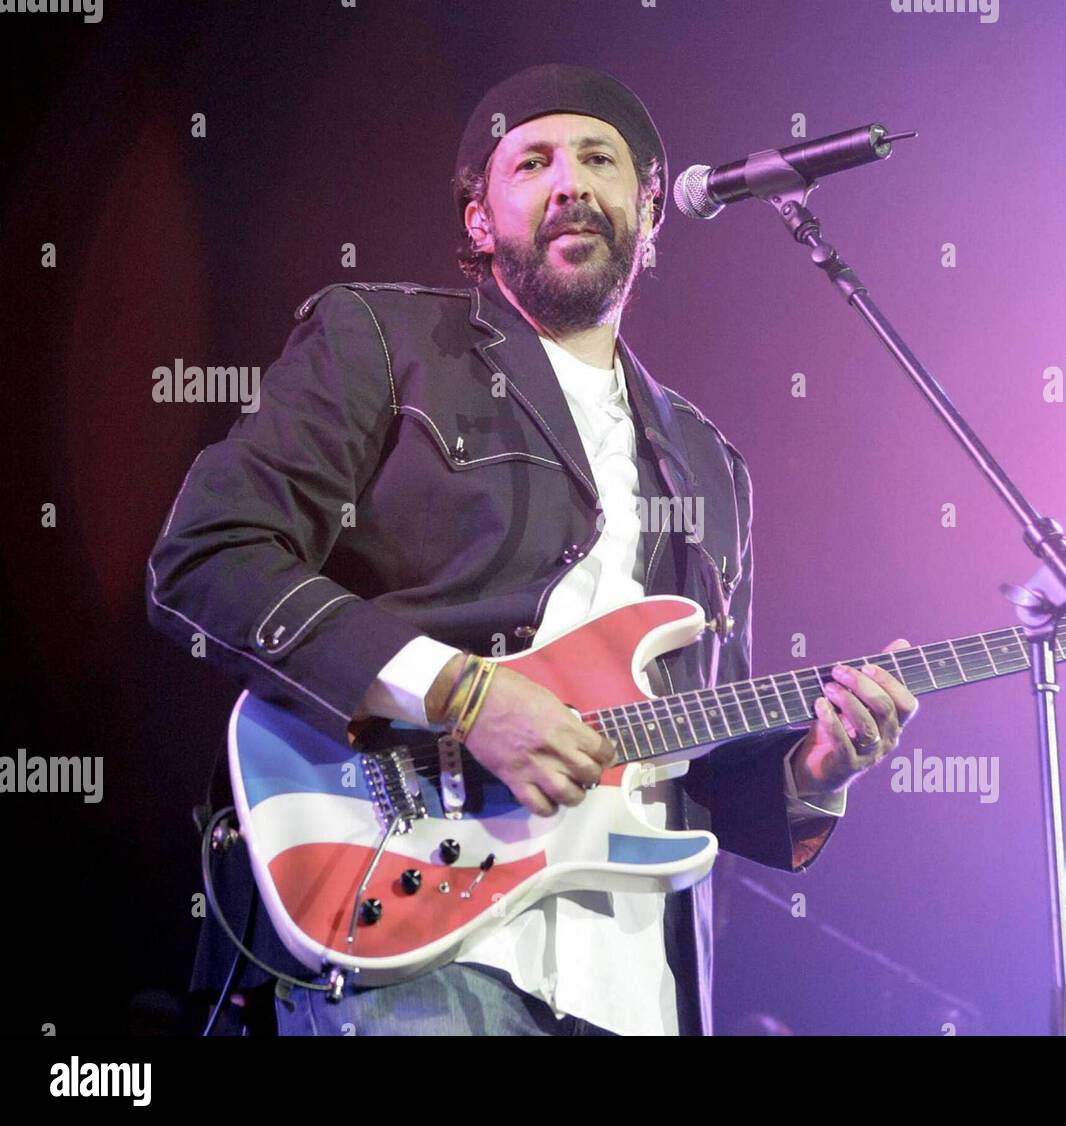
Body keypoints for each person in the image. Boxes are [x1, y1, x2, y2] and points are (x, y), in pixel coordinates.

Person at [146, 63, 918, 1037]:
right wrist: (466, 695)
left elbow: (695, 761)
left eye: (598, 158)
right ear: (478, 219)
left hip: (639, 988)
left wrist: (811, 770)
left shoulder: (711, 467)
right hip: (415, 945)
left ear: (648, 210)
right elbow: (206, 558)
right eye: (532, 161)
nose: (568, 182)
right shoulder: (383, 340)